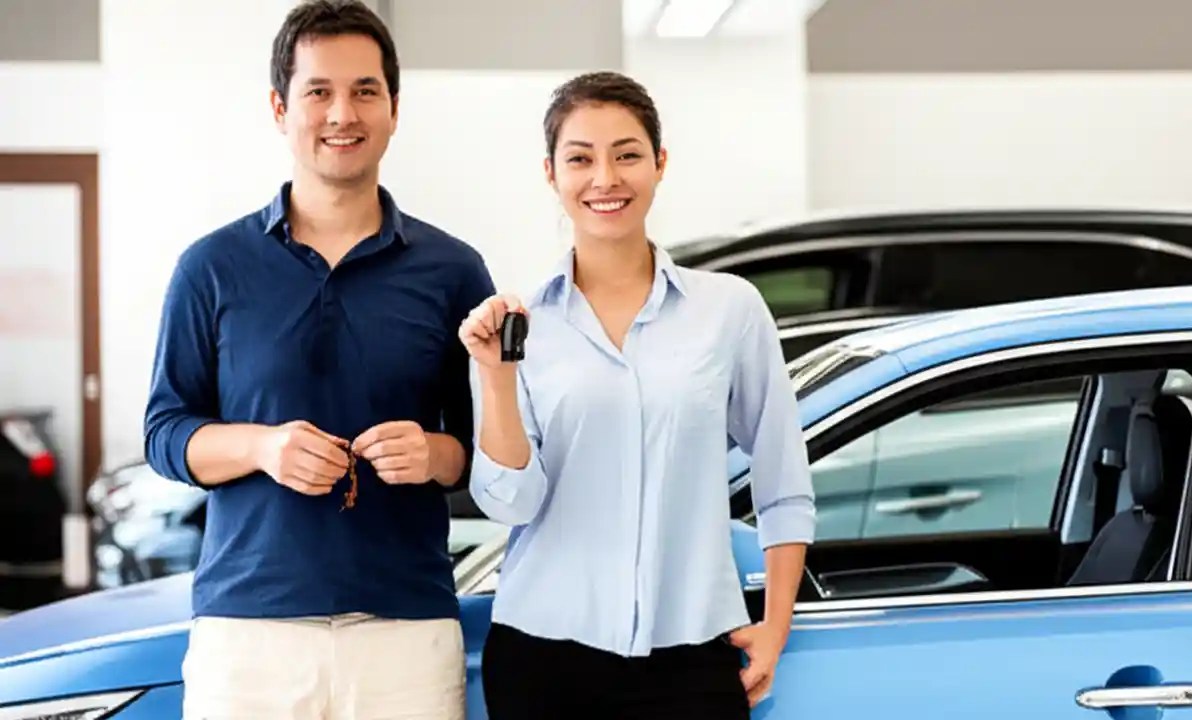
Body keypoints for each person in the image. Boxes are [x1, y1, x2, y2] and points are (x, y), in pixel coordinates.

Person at [142, 2, 494, 718]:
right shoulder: (211, 267)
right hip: (248, 639)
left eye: (366, 90)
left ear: (395, 109)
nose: (343, 113)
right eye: (319, 91)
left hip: (407, 635)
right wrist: (262, 446)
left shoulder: (454, 271)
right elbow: (165, 432)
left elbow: (489, 455)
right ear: (280, 107)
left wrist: (435, 453)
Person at [459, 71, 815, 719]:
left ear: (659, 162)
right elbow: (511, 502)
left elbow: (783, 481)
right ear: (551, 174)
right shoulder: (518, 323)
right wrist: (496, 376)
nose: (605, 178)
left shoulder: (729, 309)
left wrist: (777, 623)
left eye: (626, 154)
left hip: (690, 657)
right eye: (580, 159)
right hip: (545, 657)